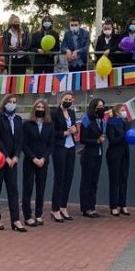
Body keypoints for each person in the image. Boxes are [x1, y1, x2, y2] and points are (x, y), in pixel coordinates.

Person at [0, 95, 26, 232]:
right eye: (9, 102)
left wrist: (16, 156)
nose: (12, 104)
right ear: (4, 104)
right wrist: (6, 157)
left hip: (13, 161)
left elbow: (20, 140)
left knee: (13, 190)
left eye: (14, 102)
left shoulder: (18, 119)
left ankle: (15, 220)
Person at [21, 99, 53, 227]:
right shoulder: (27, 124)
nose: (40, 109)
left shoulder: (49, 125)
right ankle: (27, 216)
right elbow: (24, 144)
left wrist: (43, 159)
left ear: (46, 110)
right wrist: (33, 158)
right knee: (28, 188)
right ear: (34, 109)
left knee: (41, 188)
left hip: (43, 162)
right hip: (30, 161)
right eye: (38, 107)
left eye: (42, 107)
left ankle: (38, 214)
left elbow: (51, 145)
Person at [51, 93, 77, 222]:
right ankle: (55, 208)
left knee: (68, 177)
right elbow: (51, 132)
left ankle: (63, 206)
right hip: (60, 147)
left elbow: (74, 126)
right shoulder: (55, 113)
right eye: (65, 99)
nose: (68, 101)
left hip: (71, 147)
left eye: (70, 99)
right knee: (59, 178)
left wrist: (74, 129)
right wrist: (65, 133)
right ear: (61, 100)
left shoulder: (72, 112)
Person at [79, 98, 106, 218]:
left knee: (94, 182)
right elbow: (82, 139)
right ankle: (86, 208)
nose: (102, 109)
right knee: (87, 181)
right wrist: (96, 141)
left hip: (98, 154)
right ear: (93, 107)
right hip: (89, 154)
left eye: (103, 106)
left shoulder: (101, 120)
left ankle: (92, 206)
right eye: (99, 106)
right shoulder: (86, 120)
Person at [106, 104, 131, 216]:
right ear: (116, 112)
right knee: (114, 181)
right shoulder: (111, 123)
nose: (124, 112)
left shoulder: (125, 122)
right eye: (122, 110)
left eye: (125, 110)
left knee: (124, 180)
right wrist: (124, 136)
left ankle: (123, 205)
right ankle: (113, 206)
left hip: (125, 153)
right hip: (114, 154)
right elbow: (112, 140)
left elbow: (130, 136)